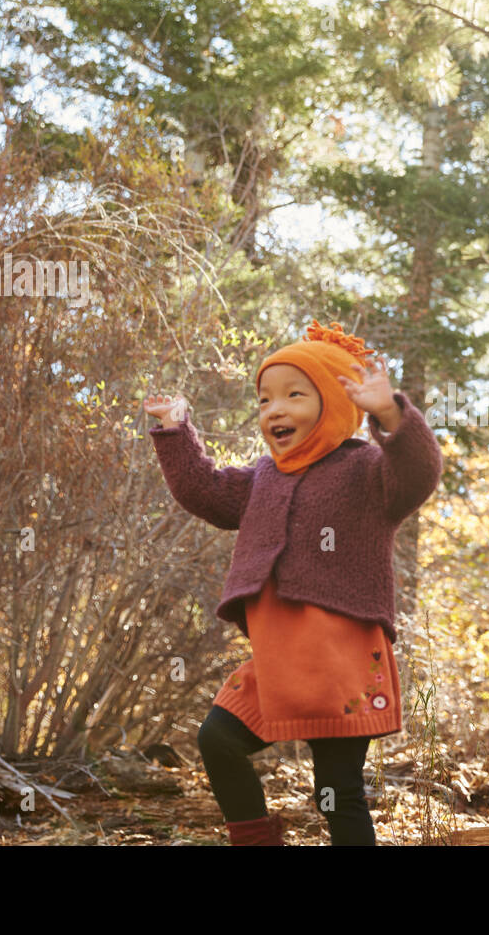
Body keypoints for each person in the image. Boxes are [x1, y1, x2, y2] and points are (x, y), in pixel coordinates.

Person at [143, 321, 441, 845]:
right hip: (278, 657)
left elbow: (417, 473)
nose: (274, 409)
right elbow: (205, 491)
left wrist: (390, 413)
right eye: (264, 400)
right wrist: (175, 429)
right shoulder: (263, 477)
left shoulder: (367, 469)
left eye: (294, 396)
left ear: (332, 401)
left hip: (341, 661)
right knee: (218, 738)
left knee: (335, 789)